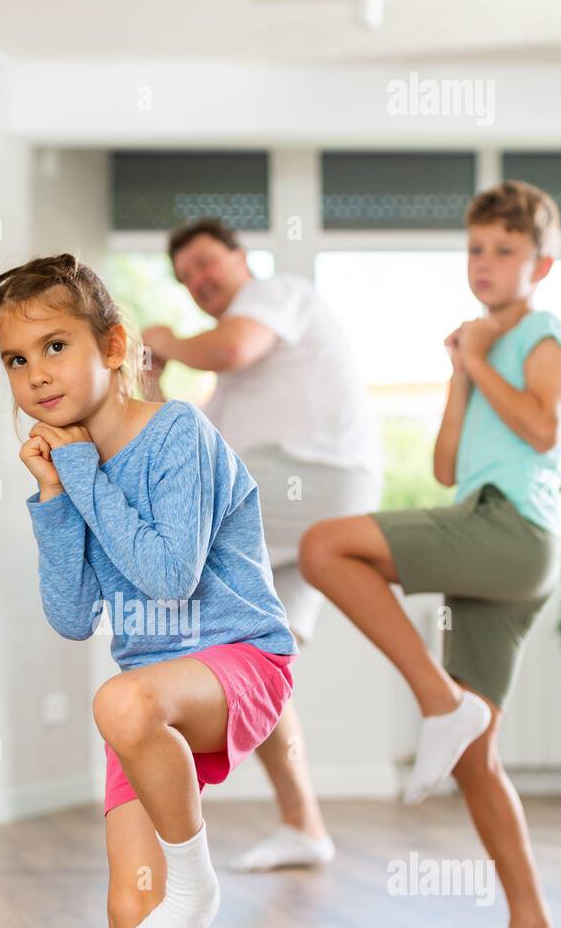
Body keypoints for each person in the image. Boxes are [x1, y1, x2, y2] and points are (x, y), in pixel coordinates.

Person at [0, 252, 297, 928]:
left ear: (114, 345)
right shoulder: (72, 463)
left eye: (54, 345)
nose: (35, 373)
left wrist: (78, 474)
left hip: (238, 658)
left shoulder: (179, 436)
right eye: (13, 359)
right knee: (130, 913)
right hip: (146, 705)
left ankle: (200, 883)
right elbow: (72, 612)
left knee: (119, 700)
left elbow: (167, 574)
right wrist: (52, 496)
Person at [298, 180, 561, 928]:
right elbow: (446, 464)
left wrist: (484, 359)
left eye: (504, 250)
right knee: (475, 756)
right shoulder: (480, 345)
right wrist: (460, 371)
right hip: (492, 534)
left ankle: (437, 701)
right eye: (475, 249)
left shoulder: (545, 331)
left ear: (542, 263)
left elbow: (544, 425)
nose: (485, 263)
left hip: (514, 529)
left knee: (324, 545)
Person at [141, 219, 382, 873]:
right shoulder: (229, 393)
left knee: (177, 559)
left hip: (318, 481)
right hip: (287, 519)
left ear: (241, 258)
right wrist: (153, 374)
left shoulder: (279, 296)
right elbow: (178, 439)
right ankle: (304, 827)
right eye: (186, 276)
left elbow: (233, 347)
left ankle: (158, 783)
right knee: (257, 660)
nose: (198, 280)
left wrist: (164, 338)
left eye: (205, 263)